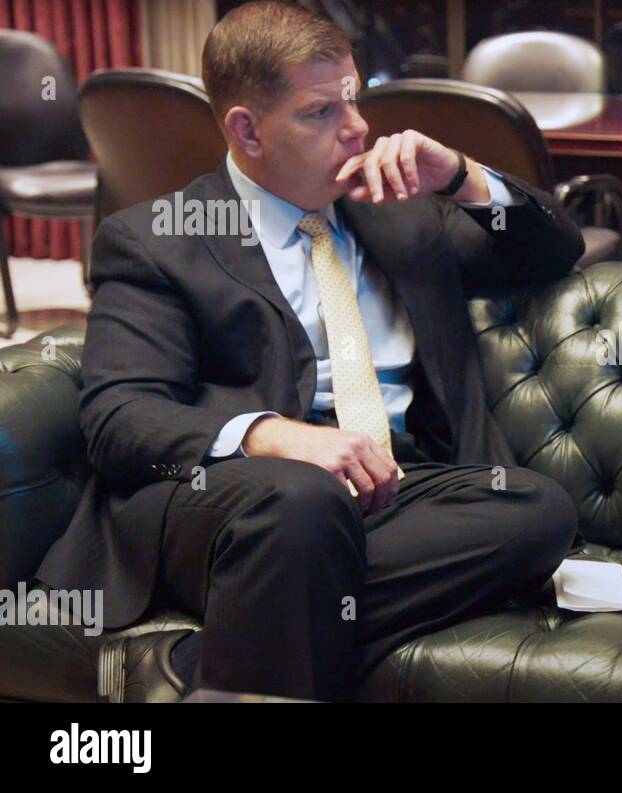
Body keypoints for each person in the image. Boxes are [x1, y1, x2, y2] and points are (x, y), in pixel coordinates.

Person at [35, 1, 585, 702]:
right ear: (246, 130)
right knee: (302, 503)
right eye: (322, 112)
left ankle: (205, 658)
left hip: (398, 493)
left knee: (538, 506)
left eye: (355, 101)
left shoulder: (400, 208)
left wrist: (460, 175)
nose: (357, 129)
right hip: (240, 501)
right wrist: (274, 436)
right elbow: (117, 417)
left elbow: (553, 250)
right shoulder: (159, 239)